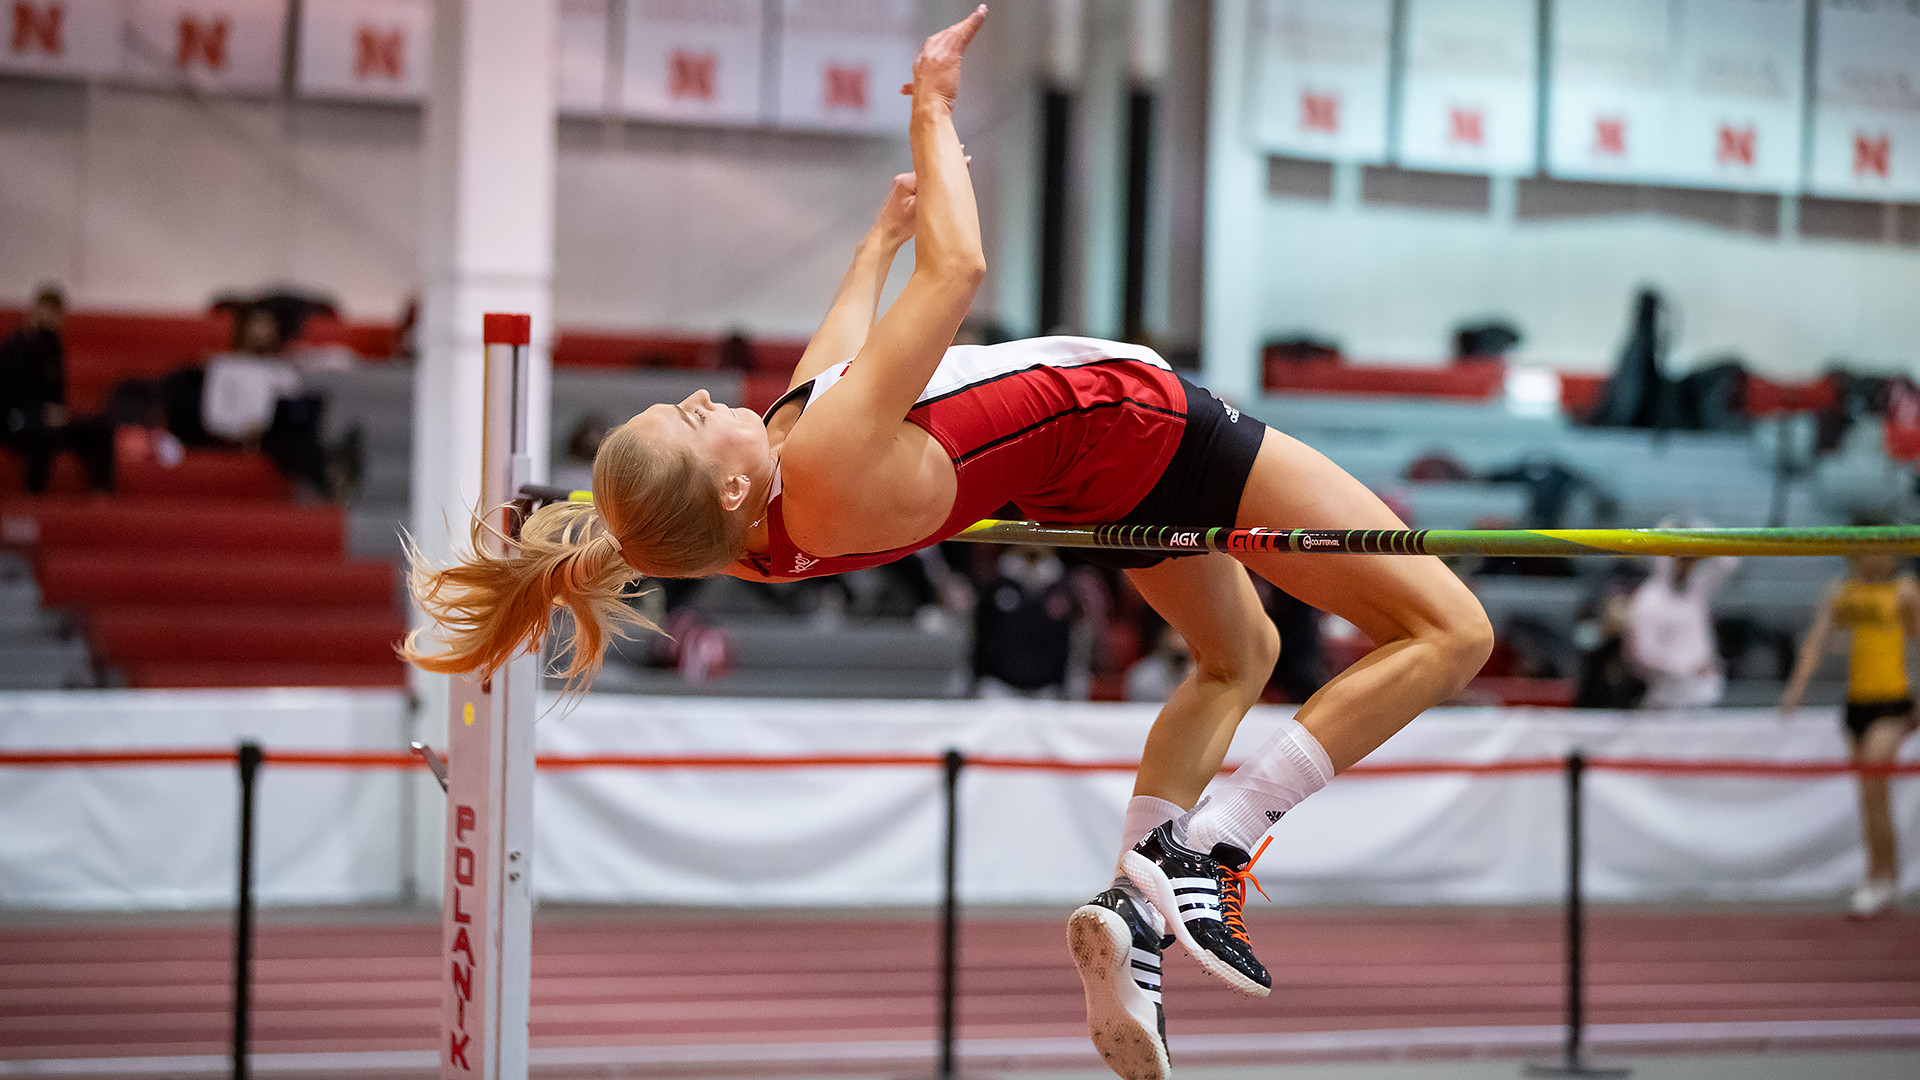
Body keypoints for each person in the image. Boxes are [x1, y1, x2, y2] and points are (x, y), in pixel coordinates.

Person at [402, 10, 1492, 1079]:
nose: (699, 397)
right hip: (1143, 427)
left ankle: (1139, 919)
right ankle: (1213, 845)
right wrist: (930, 107)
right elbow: (960, 269)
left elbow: (823, 379)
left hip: (1086, 490)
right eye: (690, 419)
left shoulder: (758, 526)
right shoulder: (817, 465)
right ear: (728, 479)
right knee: (1451, 630)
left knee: (1235, 657)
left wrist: (873, 245)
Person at [1780, 552, 1920, 919]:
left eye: (1884, 550)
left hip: (1893, 701)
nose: (1879, 559)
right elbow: (1818, 639)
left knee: (1875, 784)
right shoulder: (1842, 592)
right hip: (1856, 703)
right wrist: (1797, 686)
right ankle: (1884, 877)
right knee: (1869, 798)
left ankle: (1880, 879)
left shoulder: (1904, 590)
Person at [0, 285, 114, 493]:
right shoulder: (13, 348)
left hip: (51, 420)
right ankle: (34, 496)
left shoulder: (54, 347)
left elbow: (57, 395)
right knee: (42, 433)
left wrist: (58, 413)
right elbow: (9, 399)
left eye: (58, 313)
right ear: (35, 311)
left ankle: (101, 495)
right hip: (20, 422)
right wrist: (41, 413)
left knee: (100, 429)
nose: (54, 318)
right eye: (49, 311)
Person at [1626, 549, 1739, 709]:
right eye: (1683, 559)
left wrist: (1698, 540)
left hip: (1705, 696)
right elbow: (1644, 655)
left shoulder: (1696, 588)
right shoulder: (1648, 599)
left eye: (1691, 560)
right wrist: (1687, 669)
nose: (1688, 564)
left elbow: (1729, 561)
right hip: (1667, 702)